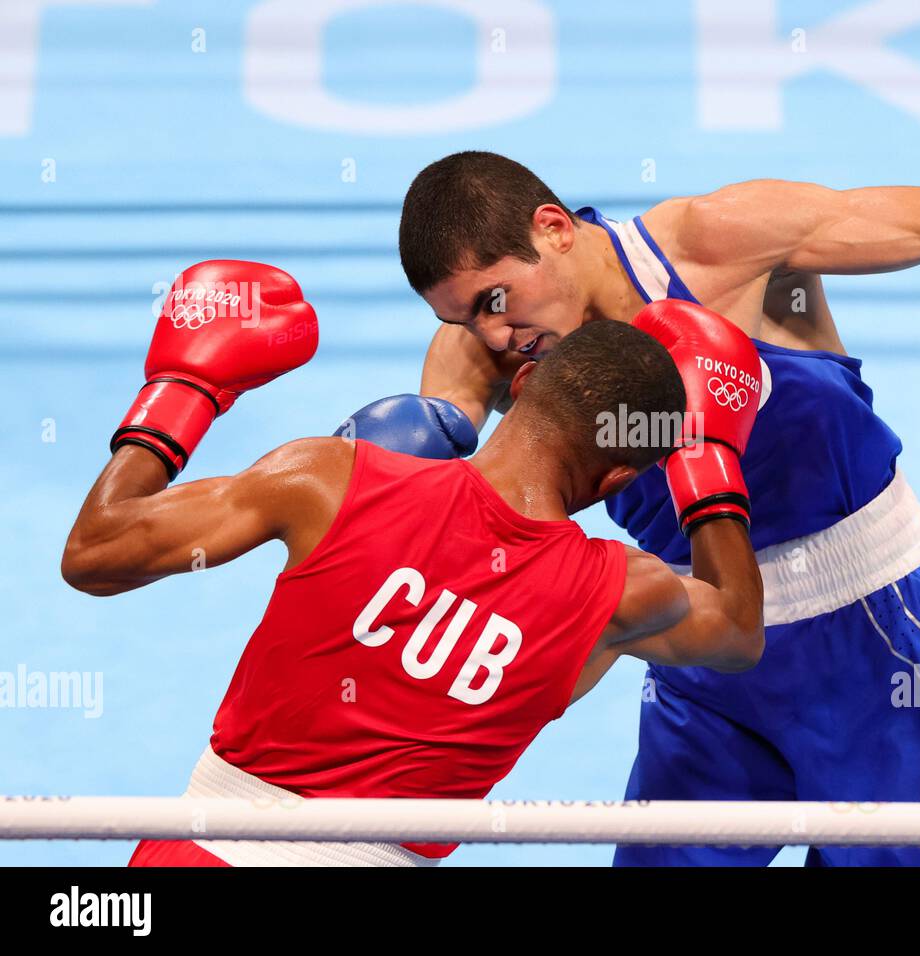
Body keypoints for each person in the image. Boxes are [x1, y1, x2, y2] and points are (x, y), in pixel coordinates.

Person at [338, 151, 920, 866]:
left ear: (554, 230)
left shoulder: (712, 240)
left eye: (495, 298)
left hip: (875, 631)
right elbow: (452, 516)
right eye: (463, 317)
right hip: (701, 648)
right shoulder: (486, 351)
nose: (492, 331)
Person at [62, 260, 765, 867]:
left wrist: (185, 389)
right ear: (616, 479)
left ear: (519, 388)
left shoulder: (326, 477)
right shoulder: (621, 593)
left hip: (198, 851)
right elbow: (736, 630)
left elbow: (95, 553)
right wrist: (709, 463)